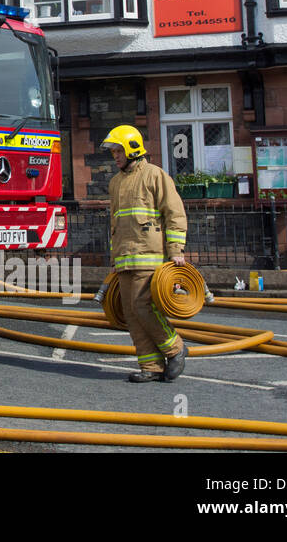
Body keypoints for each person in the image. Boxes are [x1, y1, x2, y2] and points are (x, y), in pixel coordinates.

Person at [101, 125, 188, 383]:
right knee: (130, 312)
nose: (115, 156)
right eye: (113, 152)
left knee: (142, 307)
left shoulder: (155, 175)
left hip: (150, 256)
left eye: (119, 151)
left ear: (132, 149)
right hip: (125, 259)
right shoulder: (115, 183)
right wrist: (114, 259)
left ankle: (175, 348)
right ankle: (151, 366)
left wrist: (175, 250)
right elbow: (115, 224)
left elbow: (174, 213)